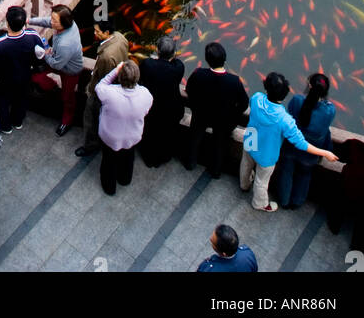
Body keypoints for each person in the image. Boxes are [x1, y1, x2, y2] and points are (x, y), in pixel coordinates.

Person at [240, 71, 338, 211]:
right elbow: (301, 143)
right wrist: (325, 153)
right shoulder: (284, 119)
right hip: (267, 151)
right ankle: (260, 203)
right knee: (261, 181)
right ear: (284, 95)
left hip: (251, 139)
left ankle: (244, 185)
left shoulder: (256, 97)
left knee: (246, 163)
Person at [184, 41, 249, 178]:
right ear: (224, 59)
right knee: (219, 145)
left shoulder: (199, 74)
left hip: (201, 115)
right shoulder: (234, 81)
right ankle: (215, 171)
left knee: (194, 139)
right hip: (223, 120)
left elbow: (189, 89)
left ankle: (190, 163)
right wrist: (232, 114)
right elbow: (244, 103)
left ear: (207, 60)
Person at [273, 73, 335, 209]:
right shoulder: (330, 110)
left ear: (309, 86)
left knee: (286, 172)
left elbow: (290, 115)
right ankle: (297, 201)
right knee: (304, 175)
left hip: (291, 148)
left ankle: (284, 200)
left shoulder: (297, 100)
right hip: (312, 152)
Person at [94, 61, 152, 195]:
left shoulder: (109, 93)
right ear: (137, 77)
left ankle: (109, 187)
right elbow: (146, 111)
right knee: (128, 158)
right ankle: (125, 179)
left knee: (108, 161)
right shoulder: (146, 95)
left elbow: (99, 86)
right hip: (133, 136)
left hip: (110, 136)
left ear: (120, 77)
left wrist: (115, 70)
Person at [327, 120, 364, 249]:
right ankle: (357, 243)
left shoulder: (353, 145)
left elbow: (341, 157)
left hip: (347, 186)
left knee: (339, 207)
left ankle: (334, 226)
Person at [75, 21, 130, 157]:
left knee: (90, 119)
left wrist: (93, 89)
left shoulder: (106, 57)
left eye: (97, 31)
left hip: (100, 93)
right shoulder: (120, 37)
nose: (95, 33)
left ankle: (90, 145)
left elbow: (104, 79)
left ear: (106, 33)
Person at [30, 5, 84, 136]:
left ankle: (67, 120)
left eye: (54, 20)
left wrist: (45, 54)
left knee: (67, 96)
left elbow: (56, 65)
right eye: (52, 18)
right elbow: (47, 22)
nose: (51, 22)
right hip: (58, 56)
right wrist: (29, 21)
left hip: (70, 70)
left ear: (63, 23)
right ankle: (51, 85)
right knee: (36, 76)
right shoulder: (66, 24)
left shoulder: (66, 43)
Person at [0, 6, 42, 133]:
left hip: (5, 80)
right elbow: (40, 55)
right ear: (24, 23)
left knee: (1, 101)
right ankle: (17, 122)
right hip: (25, 77)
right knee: (21, 99)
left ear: (7, 23)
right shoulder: (33, 36)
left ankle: (4, 126)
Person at [138, 35, 185, 166]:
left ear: (157, 51)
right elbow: (176, 61)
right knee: (167, 135)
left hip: (151, 107)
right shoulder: (178, 68)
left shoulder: (148, 64)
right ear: (174, 53)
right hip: (171, 109)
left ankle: (149, 158)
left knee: (149, 133)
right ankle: (164, 157)